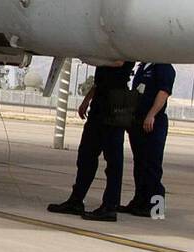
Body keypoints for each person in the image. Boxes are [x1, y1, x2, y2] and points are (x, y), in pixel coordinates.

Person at [47, 59, 135, 222]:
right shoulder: (104, 49)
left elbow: (118, 62)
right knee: (86, 154)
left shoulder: (122, 47)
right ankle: (76, 200)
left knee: (113, 160)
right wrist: (87, 99)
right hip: (101, 100)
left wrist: (91, 57)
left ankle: (110, 206)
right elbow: (100, 81)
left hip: (117, 101)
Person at [123, 61, 176, 218]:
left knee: (153, 165)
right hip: (138, 121)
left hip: (154, 122)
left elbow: (163, 92)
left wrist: (151, 114)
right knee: (140, 164)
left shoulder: (164, 67)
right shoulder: (143, 67)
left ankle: (156, 207)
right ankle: (139, 200)